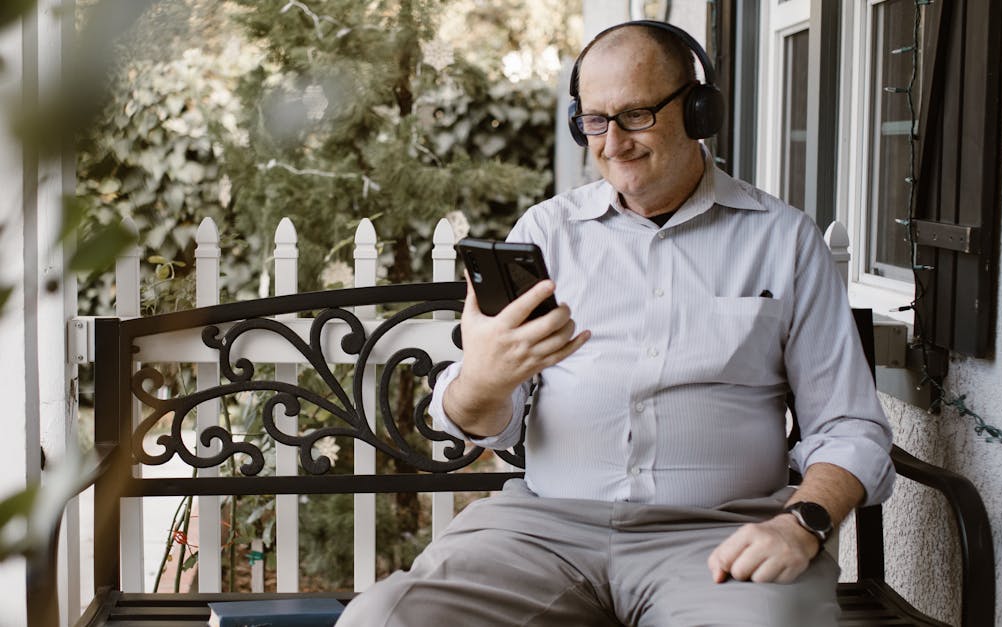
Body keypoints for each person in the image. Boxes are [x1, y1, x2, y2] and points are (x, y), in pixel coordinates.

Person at [338, 20, 894, 627]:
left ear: (699, 111)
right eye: (594, 121)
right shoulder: (546, 234)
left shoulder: (783, 240)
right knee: (385, 617)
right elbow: (479, 421)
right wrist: (485, 379)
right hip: (544, 531)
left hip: (718, 536)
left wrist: (802, 522)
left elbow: (848, 426)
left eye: (635, 116)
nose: (612, 142)